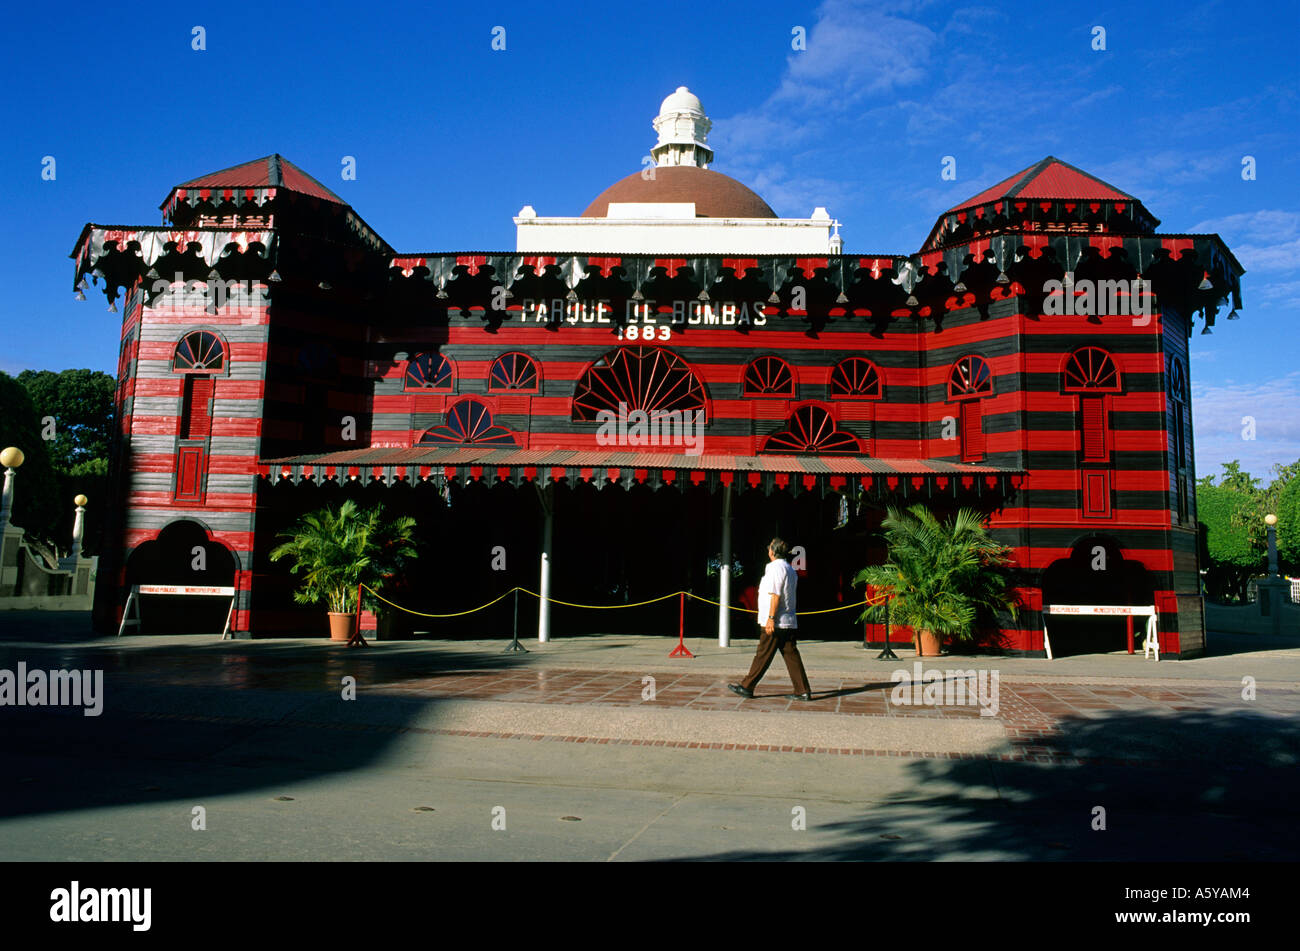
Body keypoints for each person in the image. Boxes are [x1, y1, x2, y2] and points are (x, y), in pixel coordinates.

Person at [728, 538, 813, 701]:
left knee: (763, 654)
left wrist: (770, 618)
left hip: (776, 619)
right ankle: (803, 690)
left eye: (769, 549)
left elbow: (775, 595)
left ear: (772, 552)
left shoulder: (774, 568)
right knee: (791, 654)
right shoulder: (789, 568)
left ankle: (747, 686)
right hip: (787, 619)